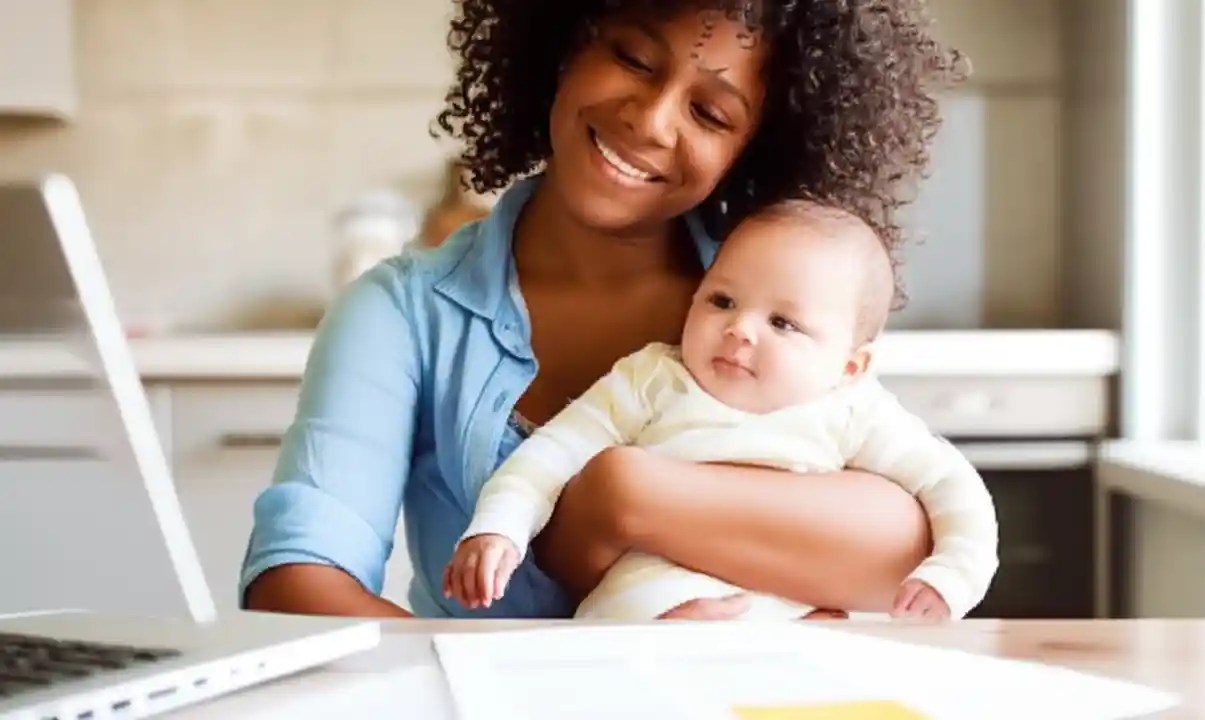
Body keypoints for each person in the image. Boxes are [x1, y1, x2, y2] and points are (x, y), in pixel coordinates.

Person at [240, 0, 968, 620]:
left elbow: (903, 547)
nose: (651, 120)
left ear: (756, 149)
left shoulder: (774, 312)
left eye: (710, 112)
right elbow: (294, 581)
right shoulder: (402, 314)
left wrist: (628, 496)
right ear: (563, 43)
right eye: (633, 58)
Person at [443, 201, 999, 621]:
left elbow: (953, 486)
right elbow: (549, 455)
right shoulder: (653, 379)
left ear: (850, 366)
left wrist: (952, 576)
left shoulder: (854, 410)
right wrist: (498, 528)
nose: (738, 329)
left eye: (783, 323)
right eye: (722, 300)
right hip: (637, 636)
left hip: (789, 643)